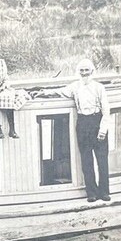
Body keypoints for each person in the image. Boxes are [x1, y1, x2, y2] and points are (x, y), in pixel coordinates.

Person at [46, 57, 110, 202]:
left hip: (97, 121)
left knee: (102, 160)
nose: (84, 73)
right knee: (86, 160)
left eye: (87, 70)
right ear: (78, 72)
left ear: (92, 71)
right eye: (81, 70)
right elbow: (60, 92)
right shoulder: (75, 87)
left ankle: (104, 192)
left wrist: (102, 130)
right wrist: (43, 92)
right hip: (83, 123)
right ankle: (91, 193)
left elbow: (106, 110)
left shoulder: (99, 87)